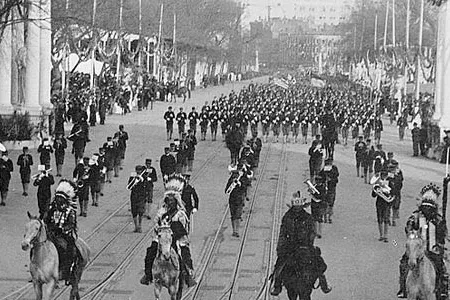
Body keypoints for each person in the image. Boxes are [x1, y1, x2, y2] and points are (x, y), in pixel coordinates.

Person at [270, 191, 331, 296]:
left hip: (305, 245)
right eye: (295, 206)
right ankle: (277, 284)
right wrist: (281, 248)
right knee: (279, 264)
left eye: (299, 206)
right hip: (290, 246)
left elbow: (312, 232)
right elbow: (282, 233)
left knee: (318, 263)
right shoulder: (287, 217)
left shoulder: (308, 217)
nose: (297, 209)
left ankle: (323, 282)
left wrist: (308, 241)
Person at [397, 183, 448, 299]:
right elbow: (408, 229)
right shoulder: (415, 217)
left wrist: (441, 232)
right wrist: (413, 234)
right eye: (425, 207)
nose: (427, 210)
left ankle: (443, 290)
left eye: (430, 207)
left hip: (432, 250)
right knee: (403, 264)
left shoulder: (439, 220)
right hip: (416, 249)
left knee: (441, 268)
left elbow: (443, 237)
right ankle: (403, 288)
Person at [140, 192, 197, 287]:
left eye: (172, 201)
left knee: (183, 253)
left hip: (176, 237)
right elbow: (156, 224)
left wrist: (174, 234)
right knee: (151, 251)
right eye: (168, 201)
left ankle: (187, 274)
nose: (170, 203)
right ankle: (148, 275)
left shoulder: (180, 214)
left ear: (176, 202)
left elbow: (183, 227)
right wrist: (159, 233)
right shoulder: (161, 212)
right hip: (162, 237)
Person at [44, 180, 78, 282]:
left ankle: (67, 271)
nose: (58, 200)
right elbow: (46, 219)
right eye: (57, 198)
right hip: (51, 233)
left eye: (60, 198)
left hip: (63, 235)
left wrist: (62, 229)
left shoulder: (70, 211)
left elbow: (71, 224)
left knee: (67, 250)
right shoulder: (52, 209)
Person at [225, 164, 250, 237]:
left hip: (239, 199)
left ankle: (237, 231)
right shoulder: (231, 181)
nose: (234, 176)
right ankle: (234, 230)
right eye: (234, 175)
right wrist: (232, 184)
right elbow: (226, 191)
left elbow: (245, 188)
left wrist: (240, 184)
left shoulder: (242, 179)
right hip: (232, 199)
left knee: (238, 215)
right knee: (233, 215)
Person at [372, 168, 394, 242]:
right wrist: (376, 191)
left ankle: (386, 235)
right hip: (379, 202)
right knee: (380, 218)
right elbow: (373, 195)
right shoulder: (377, 183)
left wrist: (388, 192)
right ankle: (381, 235)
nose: (383, 177)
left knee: (386, 219)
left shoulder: (390, 183)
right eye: (382, 175)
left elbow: (393, 192)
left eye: (385, 175)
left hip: (387, 203)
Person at [318, 158, 339, 223]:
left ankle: (329, 217)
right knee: (325, 202)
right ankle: (324, 217)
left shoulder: (334, 169)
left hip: (331, 188)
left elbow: (336, 178)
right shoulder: (324, 170)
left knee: (329, 203)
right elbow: (320, 177)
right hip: (326, 188)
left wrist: (330, 179)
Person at [128, 165, 148, 232]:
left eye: (140, 170)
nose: (138, 171)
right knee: (134, 211)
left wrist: (142, 181)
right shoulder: (133, 176)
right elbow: (129, 187)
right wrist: (134, 181)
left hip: (141, 196)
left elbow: (146, 186)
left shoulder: (144, 177)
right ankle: (136, 226)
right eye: (137, 170)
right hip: (134, 196)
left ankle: (140, 225)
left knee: (140, 211)